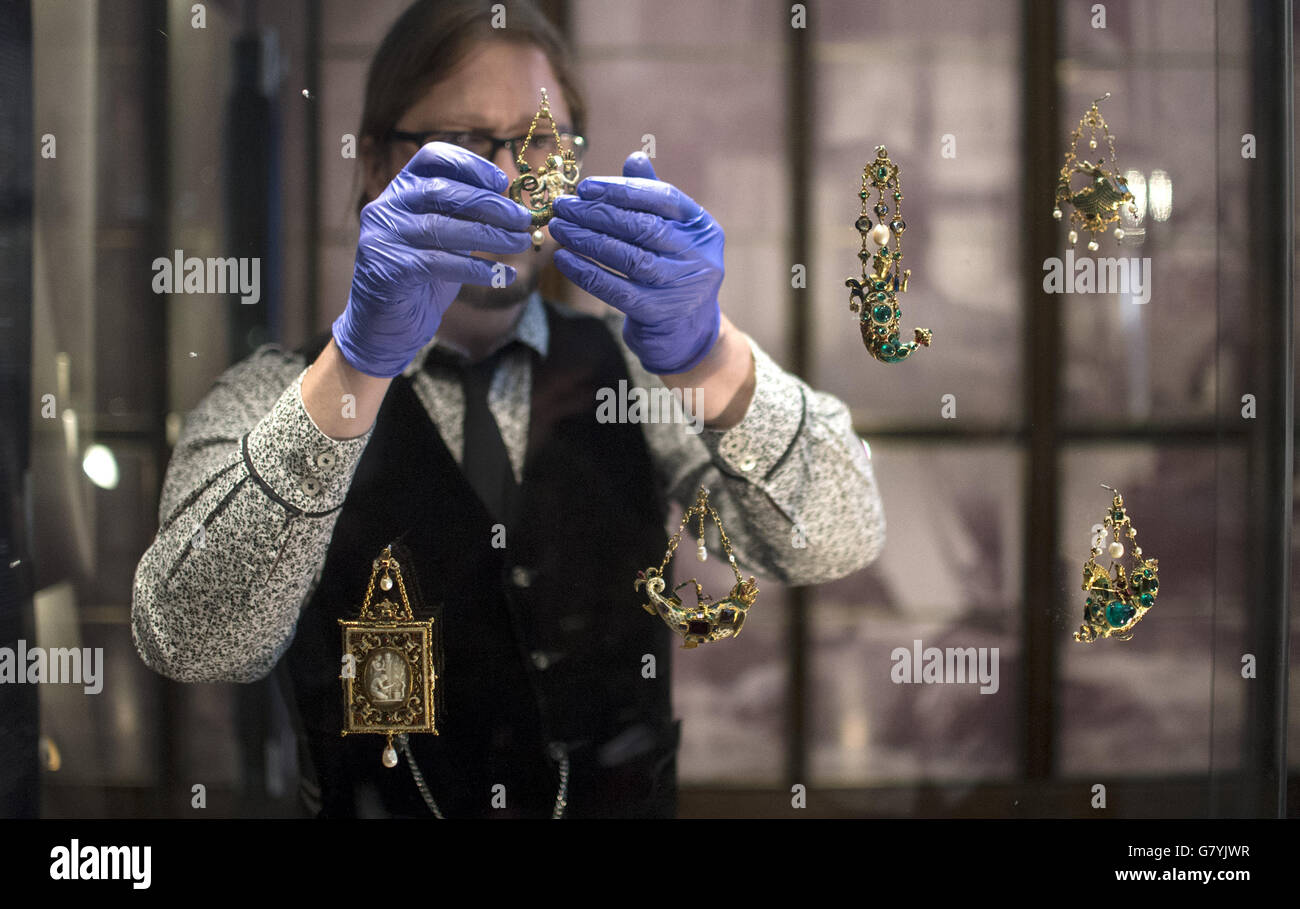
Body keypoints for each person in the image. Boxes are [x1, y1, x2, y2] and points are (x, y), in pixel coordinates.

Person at [131, 0, 885, 819]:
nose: (508, 173)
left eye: (539, 141)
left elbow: (838, 535)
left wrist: (712, 354)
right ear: (378, 165)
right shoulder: (275, 392)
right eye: (460, 144)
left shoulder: (634, 377)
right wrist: (354, 365)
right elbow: (191, 636)